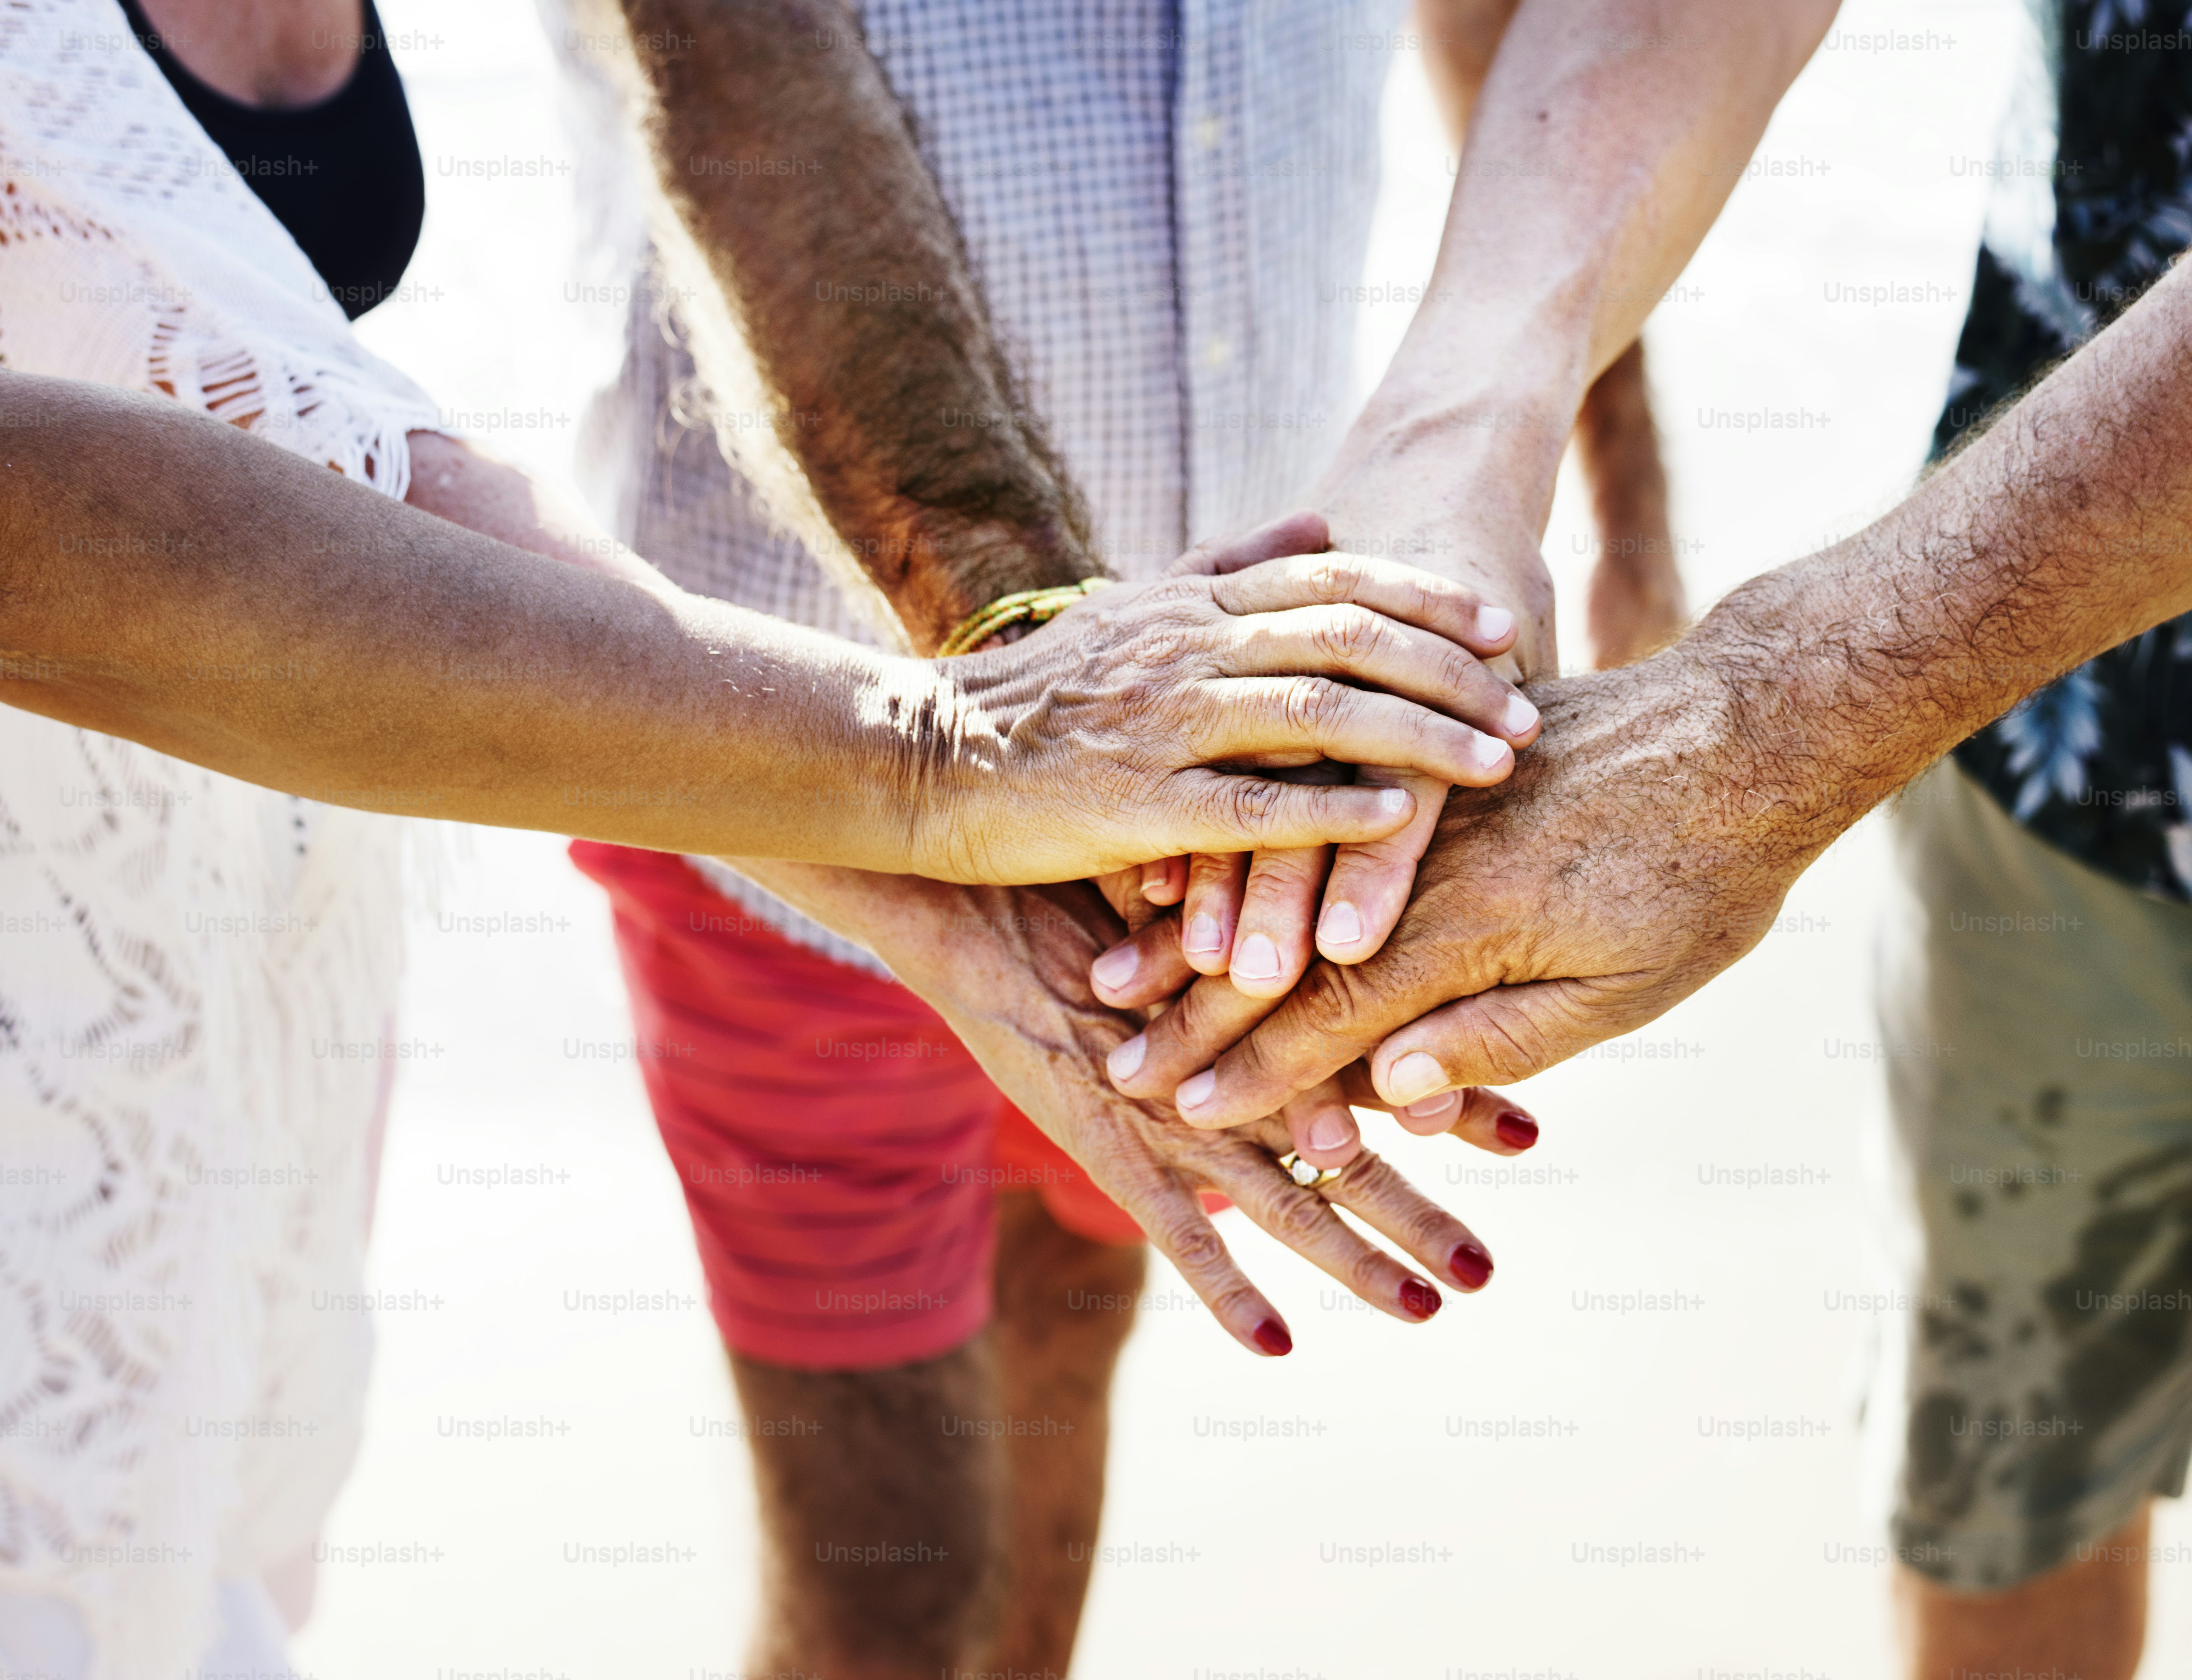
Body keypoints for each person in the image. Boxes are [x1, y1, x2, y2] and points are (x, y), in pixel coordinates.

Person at [0, 4, 1530, 1675]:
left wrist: (949, 832)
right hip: (88, 1010)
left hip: (233, 977)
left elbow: (361, 466)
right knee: (894, 1578)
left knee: (201, 1547)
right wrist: (939, 754)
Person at [1111, 9, 2192, 1675]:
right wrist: (1457, 432)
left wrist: (1773, 720)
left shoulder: (1817, 699)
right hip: (2037, 710)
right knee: (1992, 1479)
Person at [543, 0, 1828, 1672]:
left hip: (1229, 803)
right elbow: (735, 60)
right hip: (798, 776)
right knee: (893, 1579)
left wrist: (1606, 491)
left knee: (1061, 1397)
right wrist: (1011, 667)